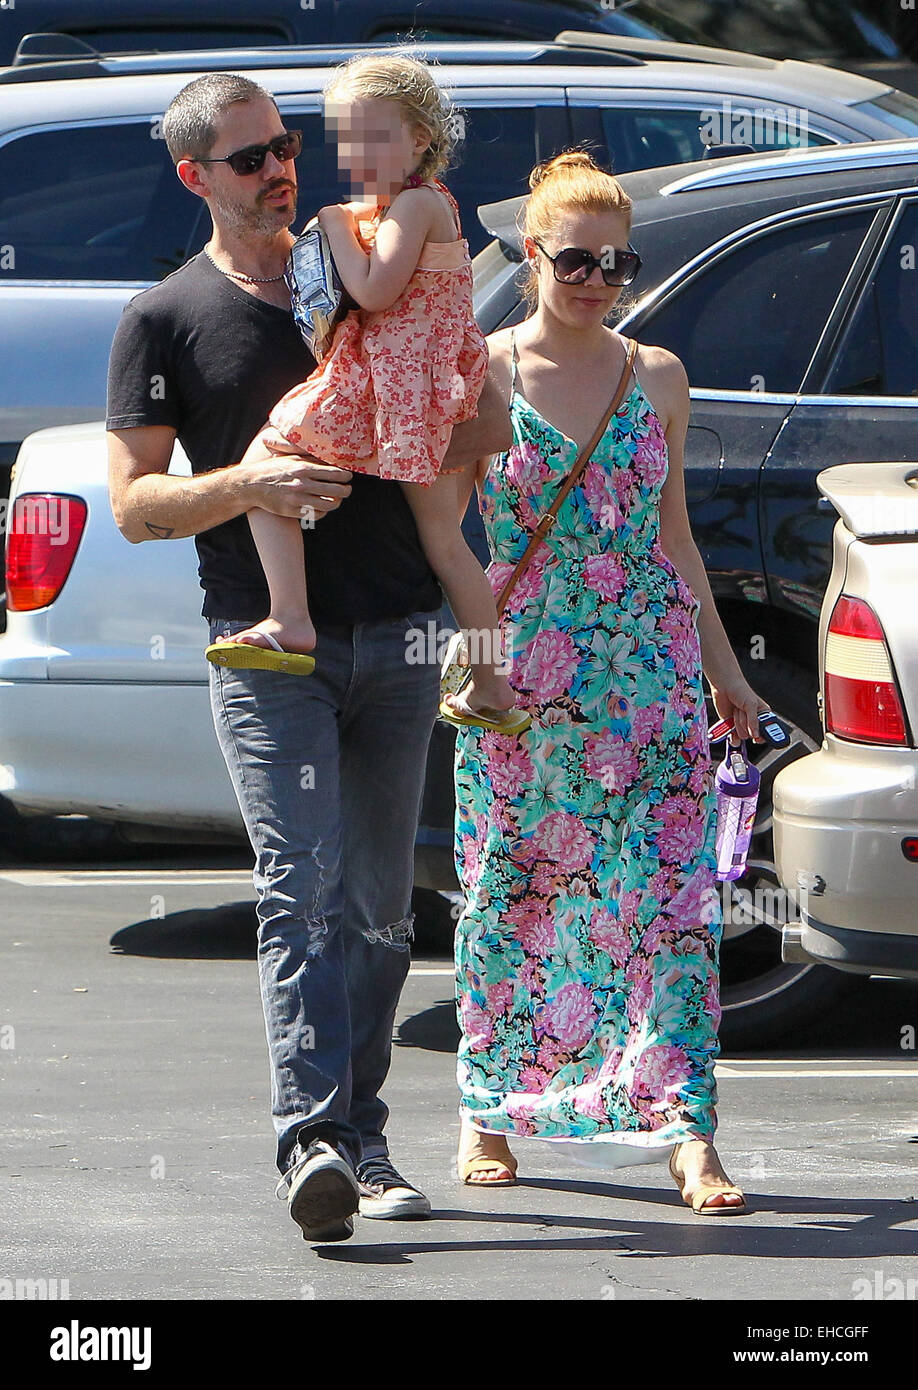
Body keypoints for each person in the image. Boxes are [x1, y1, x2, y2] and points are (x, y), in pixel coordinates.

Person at [106, 71, 513, 1243]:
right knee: (300, 894)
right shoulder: (167, 317)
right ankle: (315, 1141)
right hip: (266, 650)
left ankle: (369, 1133)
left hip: (396, 638)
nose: (281, 168)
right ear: (196, 178)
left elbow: (477, 431)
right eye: (249, 158)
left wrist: (469, 394)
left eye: (285, 146)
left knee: (382, 908)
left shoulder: (365, 257)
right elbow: (136, 506)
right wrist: (252, 482)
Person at [452, 150, 770, 1215]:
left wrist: (727, 677)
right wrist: (473, 652)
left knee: (672, 905)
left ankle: (688, 1129)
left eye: (617, 263)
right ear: (531, 254)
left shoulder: (660, 376)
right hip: (526, 685)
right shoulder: (481, 371)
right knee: (517, 892)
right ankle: (489, 1106)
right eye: (576, 259)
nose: (597, 280)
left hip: (650, 682)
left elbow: (676, 540)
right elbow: (440, 536)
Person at [205, 53, 528, 736]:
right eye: (348, 138)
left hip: (399, 391)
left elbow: (376, 290)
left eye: (377, 136)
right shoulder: (415, 203)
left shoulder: (414, 204)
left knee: (269, 451)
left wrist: (328, 224)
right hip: (431, 393)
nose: (359, 153)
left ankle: (290, 615)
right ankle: (493, 685)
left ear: (421, 138)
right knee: (448, 547)